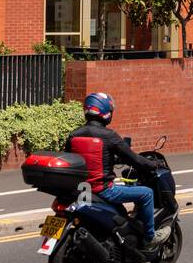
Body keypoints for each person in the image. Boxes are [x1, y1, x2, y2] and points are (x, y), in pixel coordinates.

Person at [65, 92, 169, 254]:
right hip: (104, 190)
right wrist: (153, 164)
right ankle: (150, 237)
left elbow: (75, 159)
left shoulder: (74, 135)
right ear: (105, 112)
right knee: (147, 193)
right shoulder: (109, 136)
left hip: (80, 189)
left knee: (121, 208)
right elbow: (134, 159)